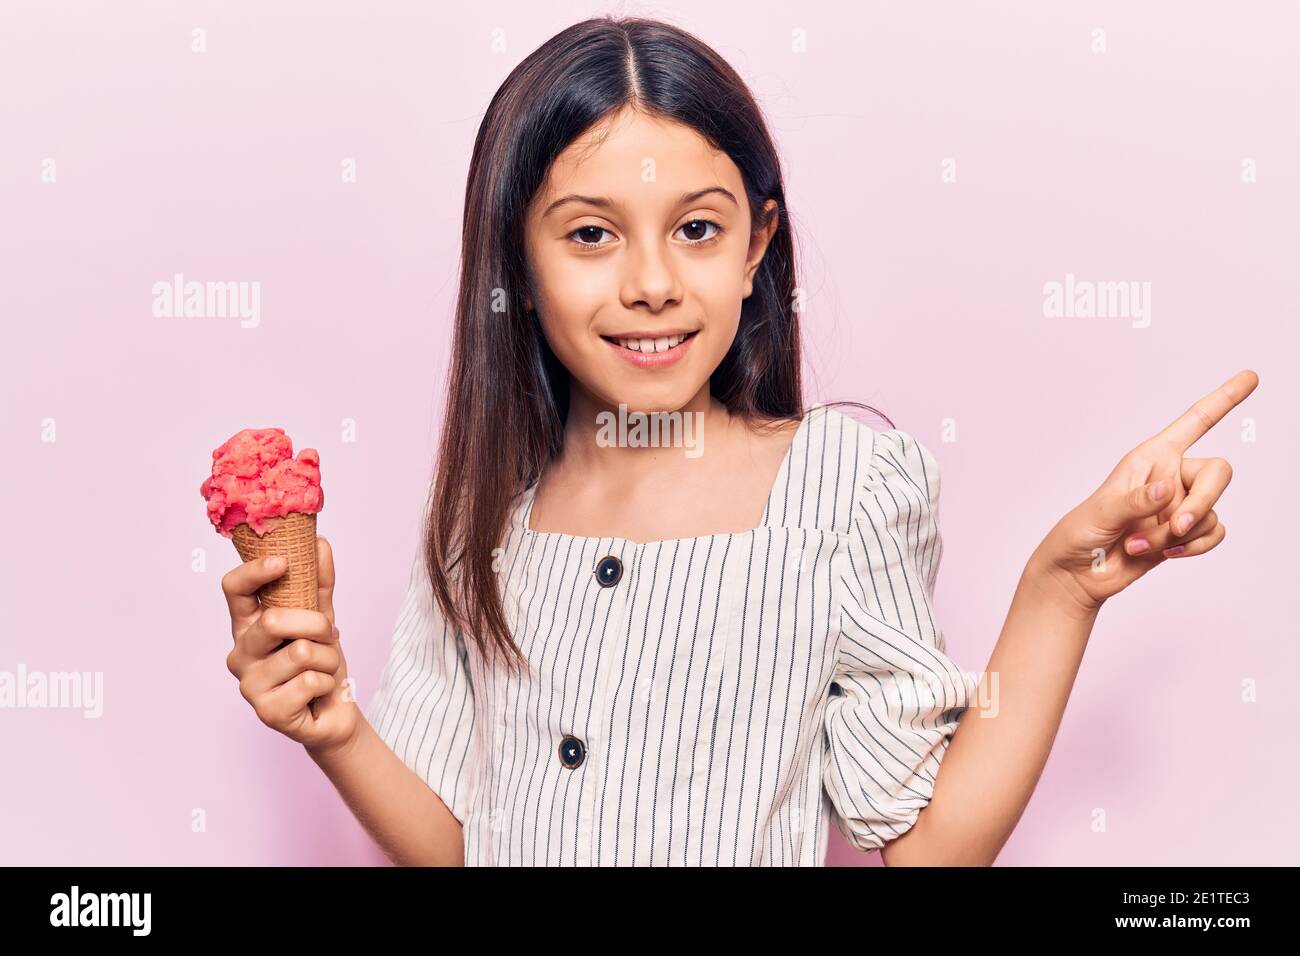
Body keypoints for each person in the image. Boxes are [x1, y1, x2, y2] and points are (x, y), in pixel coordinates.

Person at [220, 16, 1257, 866]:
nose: (652, 282)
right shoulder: (478, 520)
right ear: (516, 262)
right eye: (590, 233)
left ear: (758, 244)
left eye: (697, 228)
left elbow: (930, 845)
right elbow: (458, 842)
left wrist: (1059, 587)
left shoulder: (844, 490)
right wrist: (334, 726)